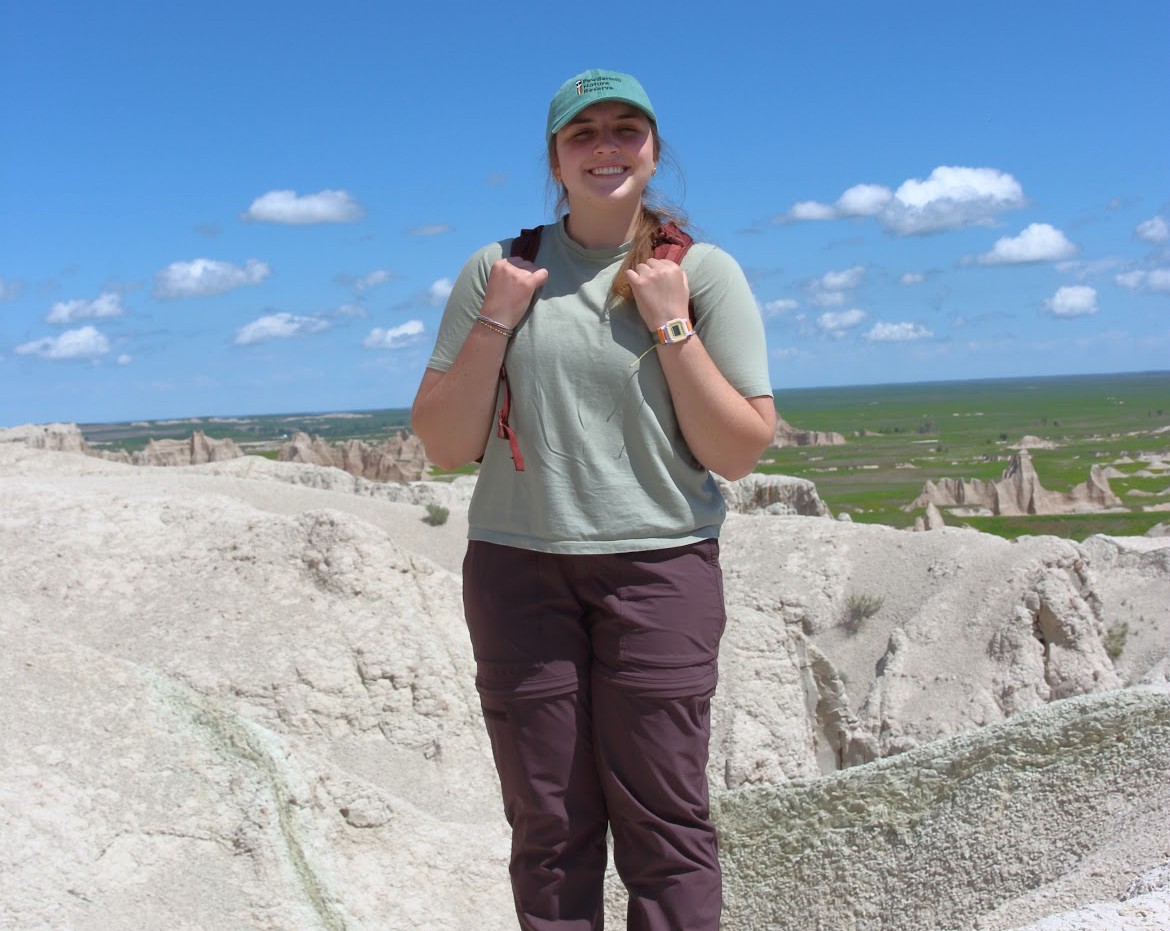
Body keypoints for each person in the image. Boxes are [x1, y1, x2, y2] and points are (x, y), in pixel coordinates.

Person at [411, 68, 776, 931]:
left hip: (660, 570)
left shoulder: (701, 272)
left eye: (624, 130)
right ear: (555, 159)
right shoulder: (499, 270)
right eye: (584, 133)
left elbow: (738, 448)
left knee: (666, 825)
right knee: (548, 828)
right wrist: (498, 318)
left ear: (652, 151)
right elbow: (445, 442)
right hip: (518, 572)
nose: (605, 148)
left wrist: (671, 323)